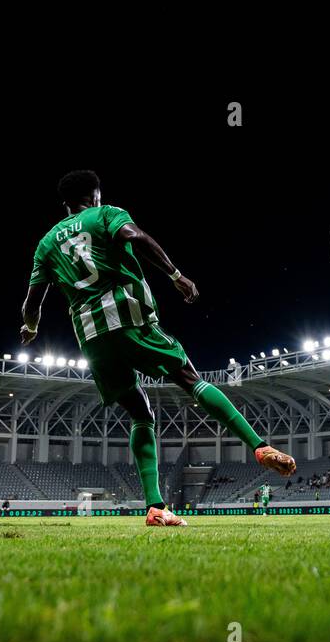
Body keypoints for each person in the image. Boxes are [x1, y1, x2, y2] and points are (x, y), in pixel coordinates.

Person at [20, 170, 296, 529]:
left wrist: (31, 328)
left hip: (91, 337)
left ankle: (155, 507)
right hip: (129, 317)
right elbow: (135, 236)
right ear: (96, 195)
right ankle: (259, 446)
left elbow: (32, 301)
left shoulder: (46, 243)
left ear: (65, 204)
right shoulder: (105, 214)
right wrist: (175, 274)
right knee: (190, 379)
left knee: (140, 413)